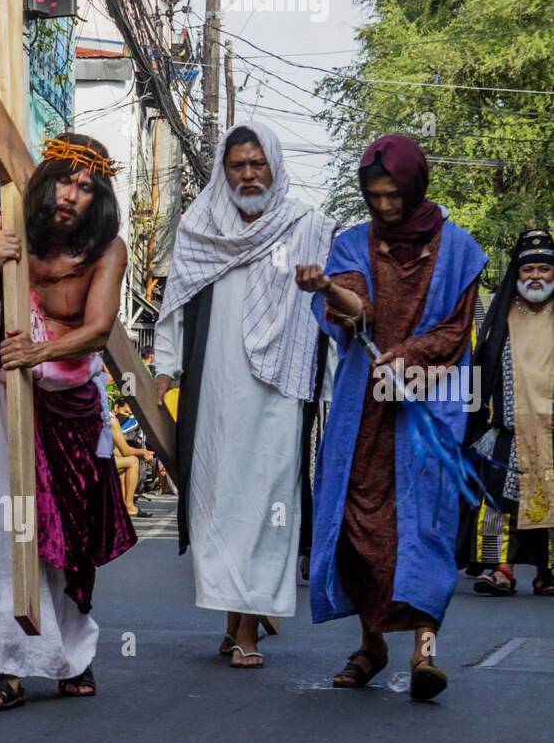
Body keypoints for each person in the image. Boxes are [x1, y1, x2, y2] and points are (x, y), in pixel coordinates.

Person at [0, 133, 136, 710]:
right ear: (45, 180)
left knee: (67, 546)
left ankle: (73, 658)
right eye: (63, 180)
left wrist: (38, 353)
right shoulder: (2, 234)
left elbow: (99, 329)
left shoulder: (109, 249)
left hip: (73, 415)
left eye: (85, 186)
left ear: (97, 198)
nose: (71, 195)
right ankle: (4, 667)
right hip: (5, 407)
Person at [295, 133, 487, 700]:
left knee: (423, 522)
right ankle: (372, 644)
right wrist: (329, 287)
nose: (382, 205)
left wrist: (405, 358)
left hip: (427, 404)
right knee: (359, 524)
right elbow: (360, 308)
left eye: (391, 194)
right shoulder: (353, 243)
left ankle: (425, 649)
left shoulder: (460, 251)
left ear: (414, 185)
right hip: (363, 412)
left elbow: (455, 331)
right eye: (373, 195)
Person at [152, 121, 337, 669]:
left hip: (279, 388)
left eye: (258, 164)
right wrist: (164, 372)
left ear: (275, 165)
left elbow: (332, 313)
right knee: (218, 500)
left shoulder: (308, 227)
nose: (249, 174)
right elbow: (175, 305)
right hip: (215, 386)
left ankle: (248, 631)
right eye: (238, 166)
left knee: (269, 502)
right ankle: (235, 619)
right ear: (224, 171)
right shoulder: (199, 226)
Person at [461, 228, 554, 596]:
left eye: (544, 270)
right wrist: (469, 423)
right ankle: (500, 569)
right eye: (528, 268)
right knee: (497, 502)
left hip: (550, 431)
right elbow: (477, 372)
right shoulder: (498, 319)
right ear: (517, 274)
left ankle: (548, 573)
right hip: (506, 431)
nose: (535, 276)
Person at [109, 400, 153, 517]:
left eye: (129, 415)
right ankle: (129, 505)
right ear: (116, 408)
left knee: (122, 458)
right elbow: (126, 450)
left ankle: (122, 505)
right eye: (125, 413)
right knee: (132, 461)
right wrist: (143, 452)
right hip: (91, 462)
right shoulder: (111, 421)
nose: (126, 417)